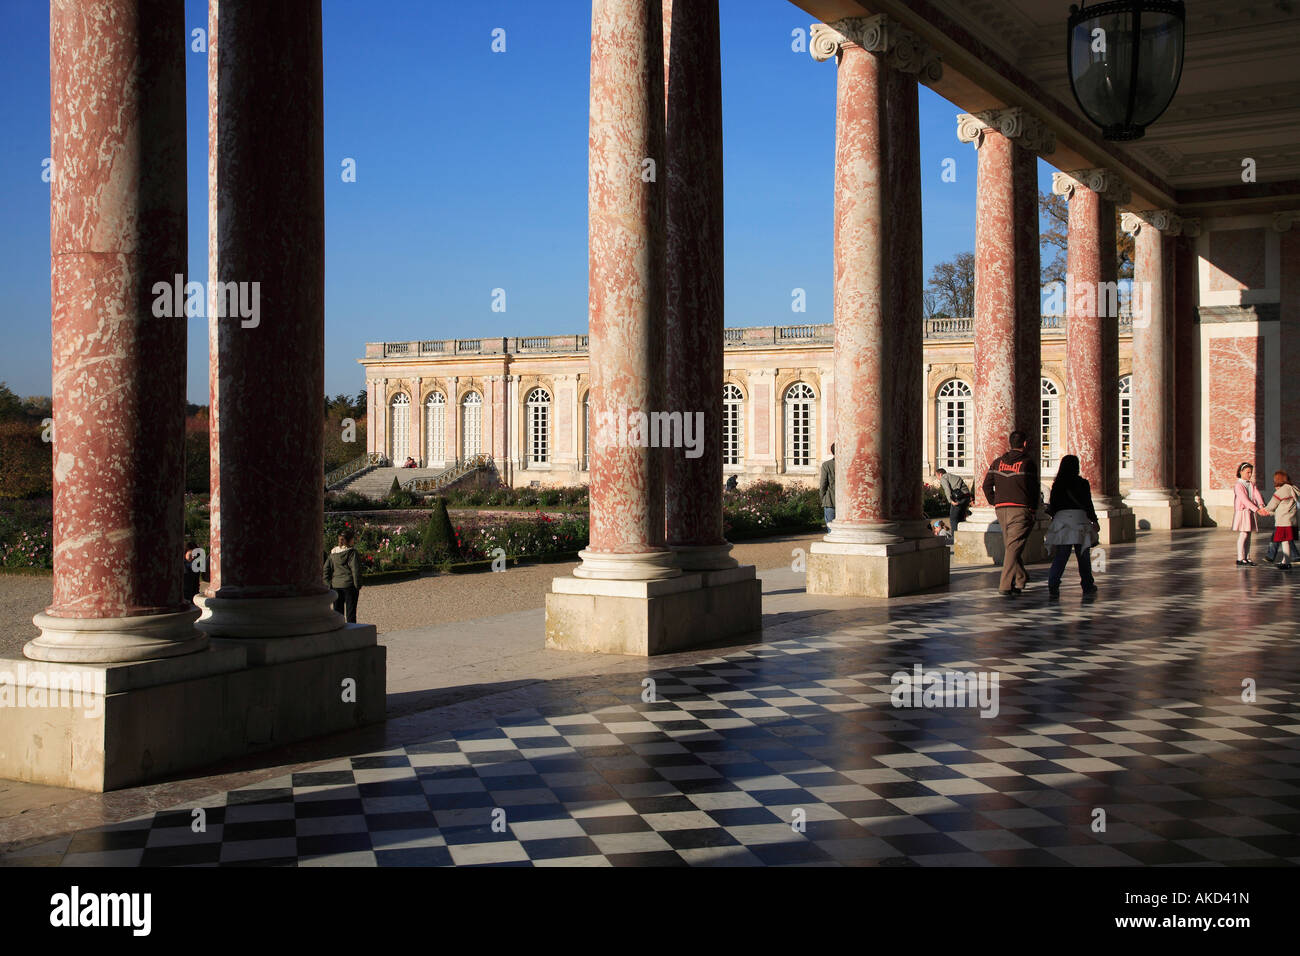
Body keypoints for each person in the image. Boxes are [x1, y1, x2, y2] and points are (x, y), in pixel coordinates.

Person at [981, 429, 1041, 597]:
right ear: (1025, 443)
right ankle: (1005, 585)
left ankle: (1021, 577)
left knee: (1011, 546)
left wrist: (995, 501)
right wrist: (1034, 508)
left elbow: (986, 486)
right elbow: (1034, 489)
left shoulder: (997, 462)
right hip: (1021, 509)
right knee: (1013, 547)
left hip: (1001, 509)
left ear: (1010, 443)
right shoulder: (1028, 463)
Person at [1043, 454, 1100, 598]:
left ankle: (1053, 583)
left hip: (1063, 522)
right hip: (1080, 521)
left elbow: (1053, 505)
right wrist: (1094, 520)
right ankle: (1087, 584)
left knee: (1061, 555)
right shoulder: (1082, 483)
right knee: (1083, 556)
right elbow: (1088, 504)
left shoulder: (1057, 484)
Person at [1259, 470, 1299, 571]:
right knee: (1286, 541)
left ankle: (1286, 562)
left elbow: (1273, 504)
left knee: (1285, 541)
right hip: (1291, 520)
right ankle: (1286, 561)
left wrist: (1265, 510)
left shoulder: (1282, 490)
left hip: (1283, 521)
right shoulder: (1293, 488)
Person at [324, 528, 363, 623]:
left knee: (337, 612)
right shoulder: (352, 553)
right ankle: (351, 634)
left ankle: (338, 632)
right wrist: (357, 585)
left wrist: (329, 584)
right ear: (349, 540)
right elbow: (355, 570)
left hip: (336, 585)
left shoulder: (333, 553)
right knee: (351, 612)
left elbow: (326, 569)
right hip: (349, 585)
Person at [1232, 462, 1266, 567]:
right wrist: (1256, 509)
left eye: (1251, 472)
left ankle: (1247, 557)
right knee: (1244, 534)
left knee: (1249, 534)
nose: (1250, 474)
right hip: (1243, 512)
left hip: (1250, 512)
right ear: (1241, 472)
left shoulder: (1251, 484)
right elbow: (1244, 499)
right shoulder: (1238, 485)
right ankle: (1240, 558)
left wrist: (1261, 505)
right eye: (1248, 472)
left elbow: (1257, 494)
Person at [935, 467, 972, 536]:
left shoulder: (943, 477)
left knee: (953, 518)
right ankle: (962, 535)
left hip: (958, 498)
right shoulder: (953, 476)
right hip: (966, 497)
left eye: (937, 476)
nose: (938, 478)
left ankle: (954, 538)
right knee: (961, 518)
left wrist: (951, 501)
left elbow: (947, 489)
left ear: (940, 474)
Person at [819, 443, 836, 529]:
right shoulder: (847, 465)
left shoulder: (826, 465)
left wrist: (823, 499)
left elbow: (823, 484)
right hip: (845, 503)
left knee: (831, 529)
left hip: (830, 501)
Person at [182, 539, 202, 604]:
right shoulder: (179, 564)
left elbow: (196, 584)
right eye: (191, 554)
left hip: (191, 596)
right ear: (185, 552)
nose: (193, 557)